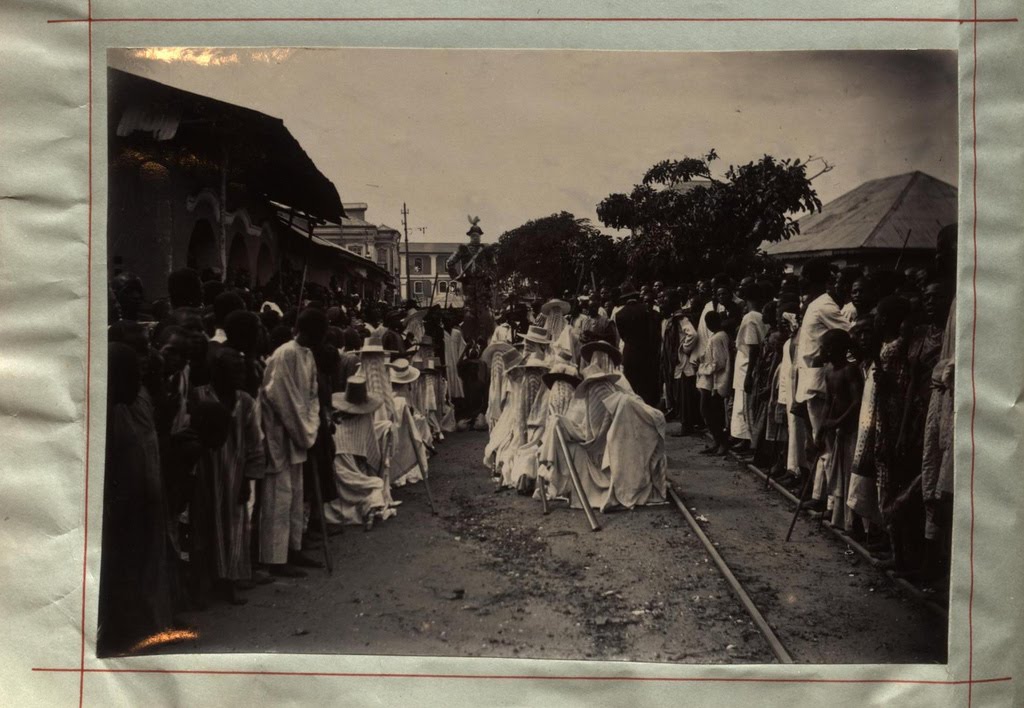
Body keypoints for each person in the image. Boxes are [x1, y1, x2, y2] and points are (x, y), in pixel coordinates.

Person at [190, 347, 263, 604]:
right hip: (204, 473)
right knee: (204, 528)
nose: (240, 377)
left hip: (234, 473)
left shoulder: (246, 402)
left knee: (234, 528)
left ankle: (228, 582)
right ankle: (203, 585)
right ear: (218, 373)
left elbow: (254, 443)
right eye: (234, 372)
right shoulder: (199, 396)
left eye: (241, 372)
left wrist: (248, 479)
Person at [258, 308, 325, 578]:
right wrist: (306, 432)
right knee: (279, 497)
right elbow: (282, 398)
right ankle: (275, 557)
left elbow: (311, 396)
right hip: (280, 433)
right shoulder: (284, 354)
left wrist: (312, 426)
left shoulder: (308, 355)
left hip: (299, 432)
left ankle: (293, 546)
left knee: (296, 494)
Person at [794, 257, 852, 511]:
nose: (801, 279)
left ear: (811, 278)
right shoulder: (813, 304)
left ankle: (830, 503)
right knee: (817, 442)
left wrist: (832, 361)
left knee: (825, 443)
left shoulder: (825, 305)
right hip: (808, 381)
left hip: (819, 381)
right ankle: (819, 495)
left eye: (804, 275)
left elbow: (848, 332)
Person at [322, 374, 395, 531]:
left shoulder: (333, 420)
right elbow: (371, 449)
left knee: (348, 487)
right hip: (347, 468)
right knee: (376, 483)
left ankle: (361, 507)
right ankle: (369, 506)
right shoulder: (365, 418)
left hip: (333, 469)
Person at [816, 329, 864, 531]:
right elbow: (828, 402)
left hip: (851, 430)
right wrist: (821, 430)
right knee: (839, 475)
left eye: (824, 347)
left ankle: (854, 523)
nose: (821, 351)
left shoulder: (850, 370)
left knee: (850, 476)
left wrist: (837, 421)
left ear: (834, 349)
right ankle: (840, 518)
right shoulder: (828, 371)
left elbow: (856, 402)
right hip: (839, 432)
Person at [730, 282, 769, 452]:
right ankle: (745, 439)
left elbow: (753, 346)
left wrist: (748, 375)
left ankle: (748, 440)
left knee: (745, 405)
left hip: (747, 365)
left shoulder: (750, 317)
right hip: (748, 363)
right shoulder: (761, 316)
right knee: (743, 404)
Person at [614, 288, 661, 406]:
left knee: (632, 386)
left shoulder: (619, 314)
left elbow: (622, 336)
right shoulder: (646, 310)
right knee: (646, 386)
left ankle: (634, 410)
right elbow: (652, 333)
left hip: (629, 353)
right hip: (646, 352)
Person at [696, 310, 731, 455]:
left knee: (709, 412)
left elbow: (719, 363)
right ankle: (717, 442)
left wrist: (702, 367)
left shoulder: (717, 338)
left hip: (714, 381)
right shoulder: (717, 336)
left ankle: (722, 442)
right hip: (710, 380)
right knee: (710, 412)